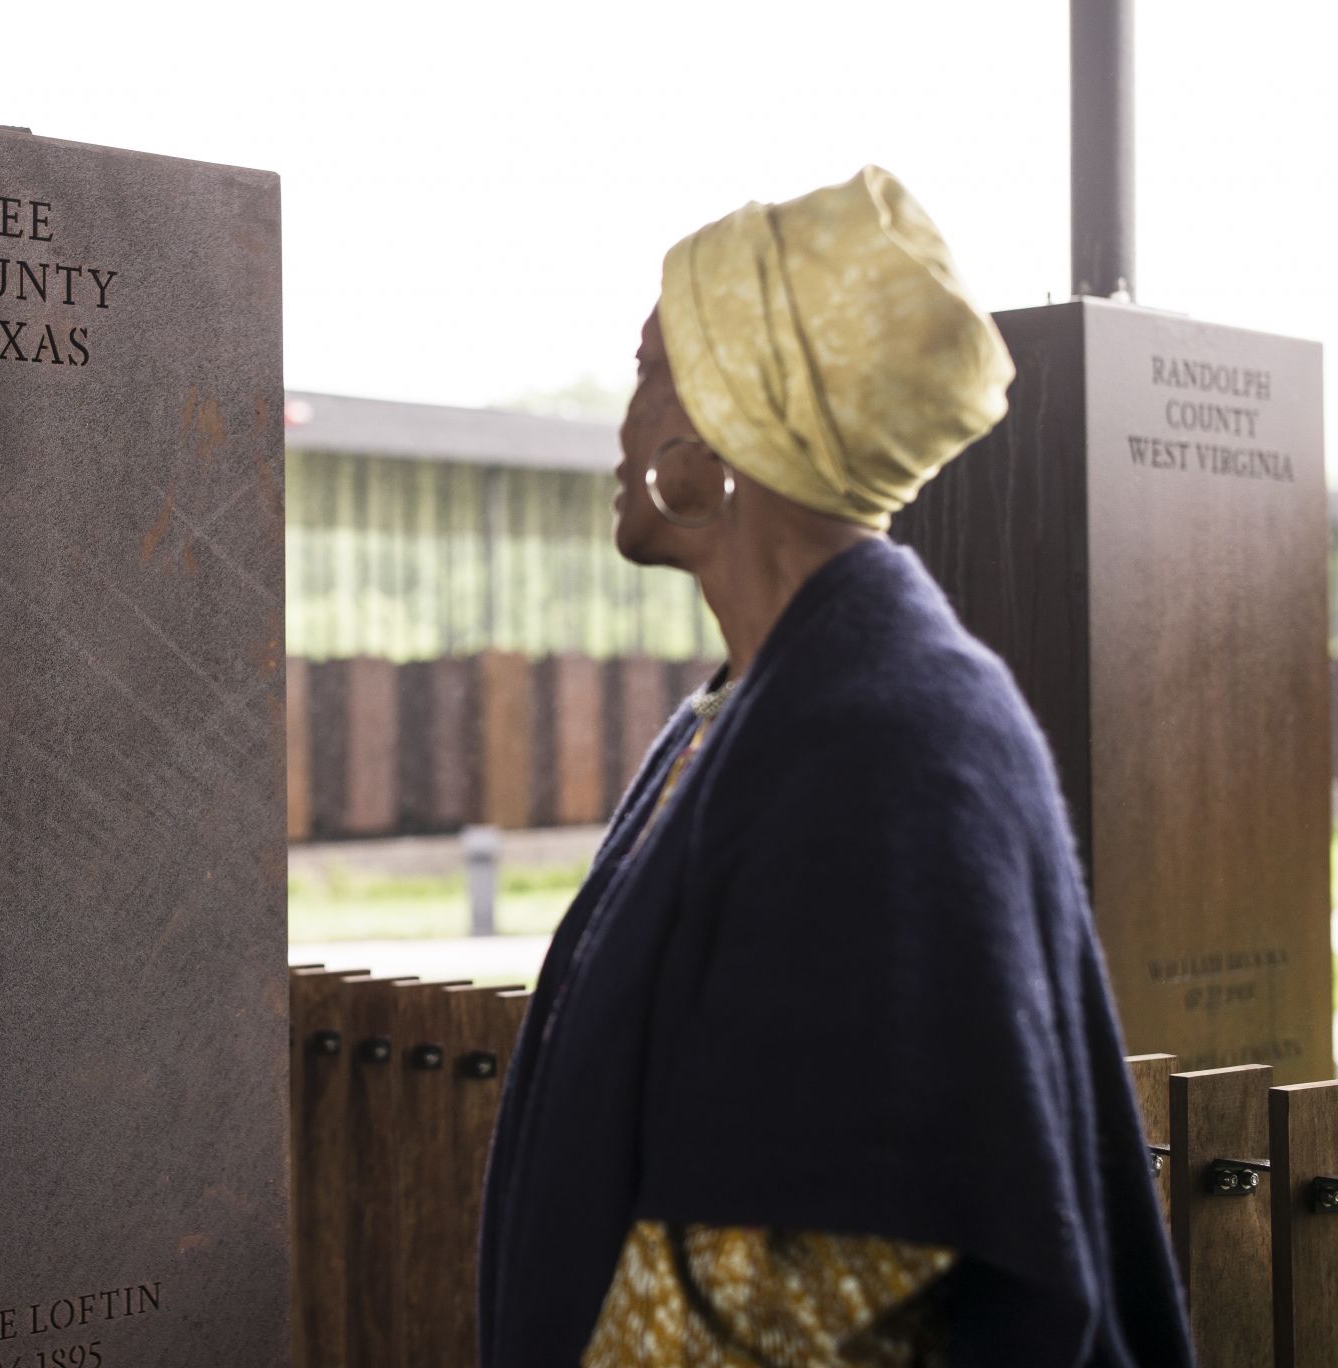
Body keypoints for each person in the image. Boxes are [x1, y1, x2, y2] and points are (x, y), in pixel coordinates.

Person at [477, 168, 1194, 1368]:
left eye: (654, 367)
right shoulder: (758, 707)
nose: (625, 414)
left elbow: (800, 1292)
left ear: (733, 424)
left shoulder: (891, 745)